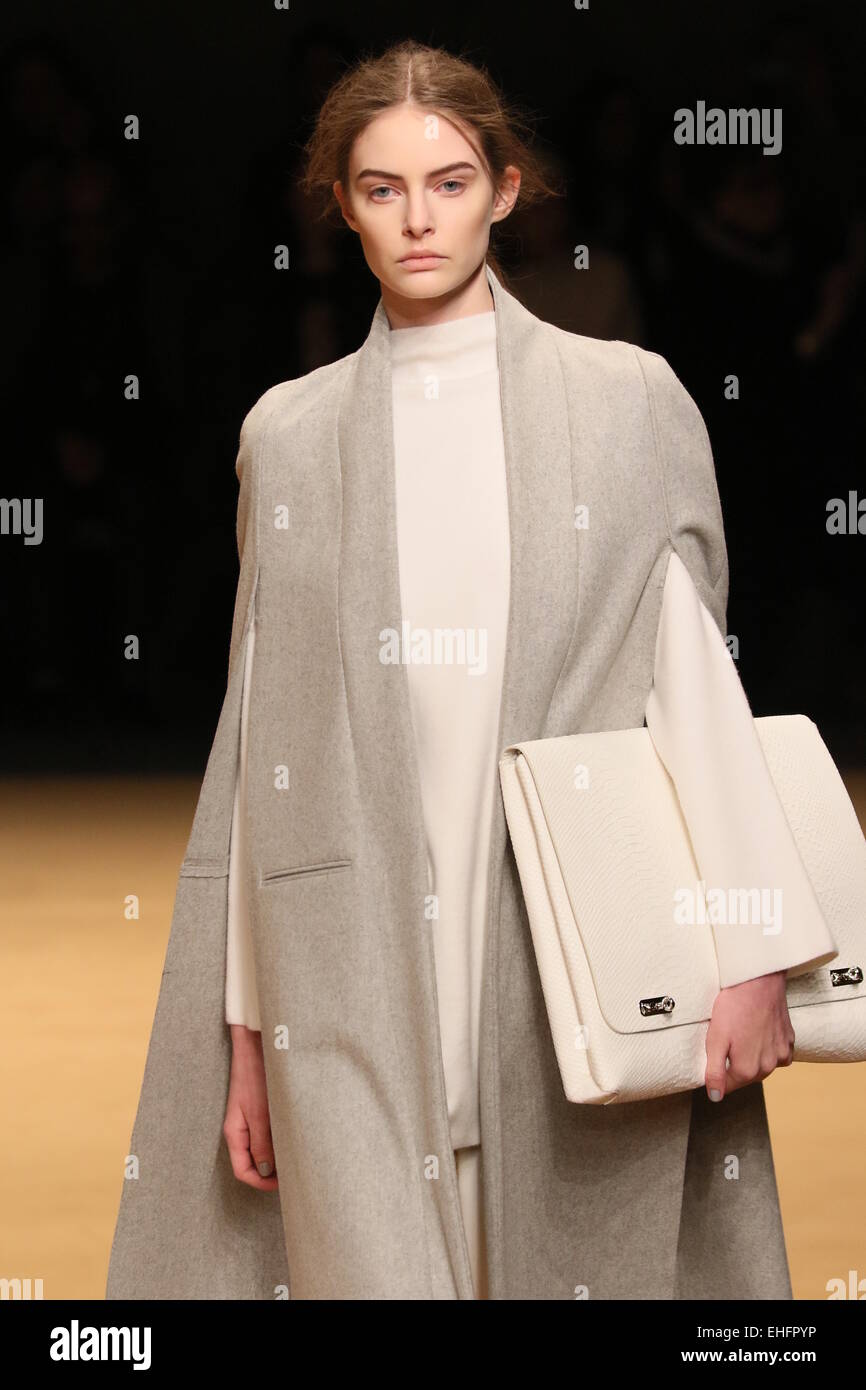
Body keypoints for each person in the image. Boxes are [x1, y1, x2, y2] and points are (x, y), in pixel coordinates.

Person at [106, 40, 835, 1302]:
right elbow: (256, 742)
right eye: (380, 189)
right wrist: (246, 1033)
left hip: (564, 938)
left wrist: (753, 947)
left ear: (504, 188)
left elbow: (689, 682)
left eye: (447, 183)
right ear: (340, 206)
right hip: (345, 953)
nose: (416, 217)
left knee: (573, 1257)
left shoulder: (623, 402)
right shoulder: (288, 433)